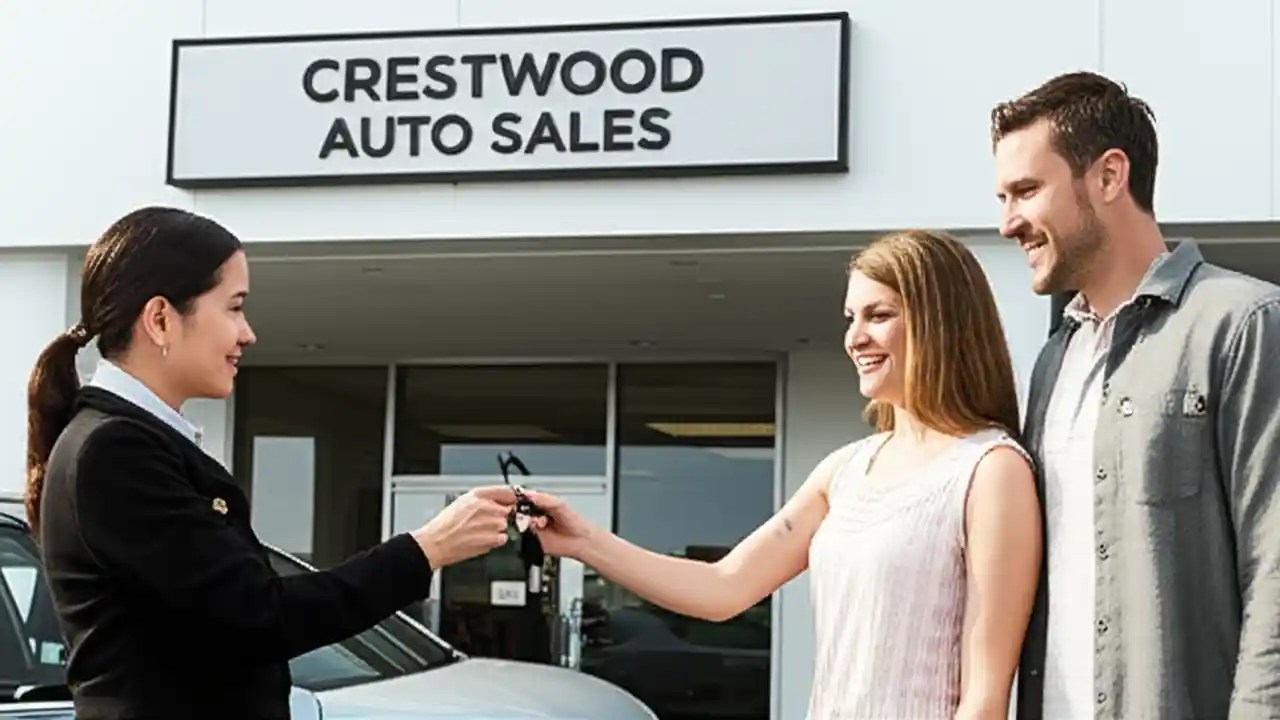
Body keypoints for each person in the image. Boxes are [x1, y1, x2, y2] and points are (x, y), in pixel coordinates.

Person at [523, 229, 1043, 719]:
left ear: (941, 324)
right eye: (849, 317)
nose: (855, 338)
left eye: (878, 315)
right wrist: (584, 541)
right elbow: (723, 587)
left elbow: (984, 700)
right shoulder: (845, 471)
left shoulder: (990, 471)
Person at [26, 206, 516, 719]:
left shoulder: (125, 442)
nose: (248, 333)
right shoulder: (115, 452)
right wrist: (426, 549)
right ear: (161, 319)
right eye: (233, 307)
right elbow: (259, 615)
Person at [990, 71, 1280, 719]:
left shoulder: (1241, 324)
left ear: (1109, 177)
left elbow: (1276, 565)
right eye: (1003, 196)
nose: (1008, 223)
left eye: (1026, 191)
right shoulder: (1053, 362)